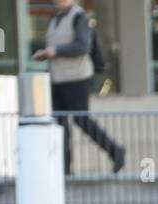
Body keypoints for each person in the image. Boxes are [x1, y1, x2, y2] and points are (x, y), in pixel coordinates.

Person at [33, 0, 125, 175]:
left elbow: (82, 46)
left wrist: (56, 50)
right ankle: (64, 169)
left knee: (82, 120)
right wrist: (46, 54)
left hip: (77, 79)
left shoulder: (78, 17)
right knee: (59, 124)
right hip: (57, 79)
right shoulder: (54, 18)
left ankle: (115, 151)